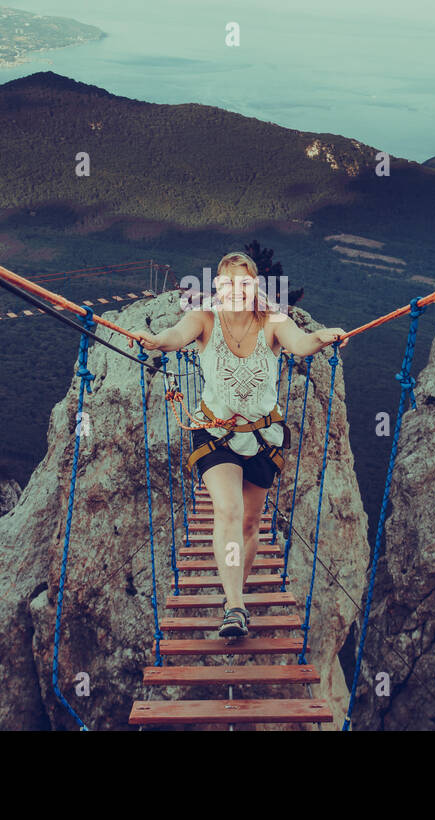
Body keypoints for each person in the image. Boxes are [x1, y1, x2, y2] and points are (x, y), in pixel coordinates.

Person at [134, 251, 347, 637]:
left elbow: (300, 344)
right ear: (217, 286)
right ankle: (233, 606)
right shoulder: (203, 320)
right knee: (228, 510)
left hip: (264, 437)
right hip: (215, 434)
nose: (236, 290)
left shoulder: (274, 323)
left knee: (250, 523)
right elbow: (175, 337)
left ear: (255, 287)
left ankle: (237, 593)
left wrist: (322, 337)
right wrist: (156, 340)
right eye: (229, 282)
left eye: (245, 283)